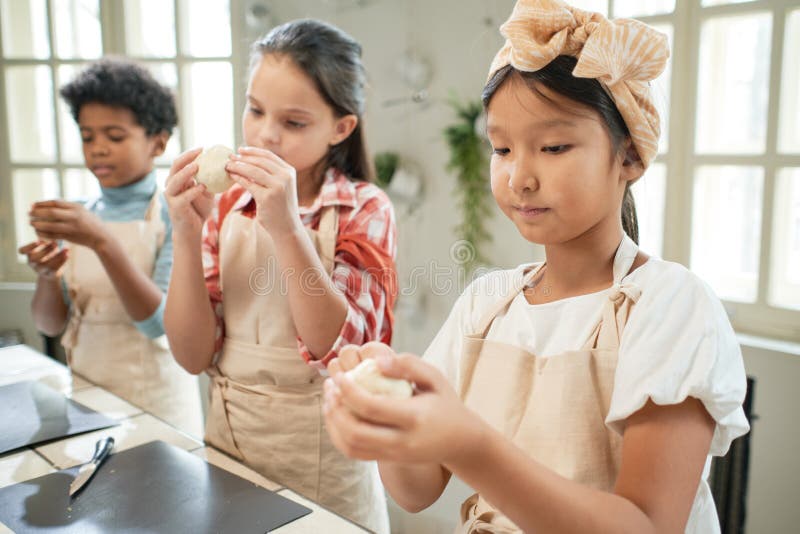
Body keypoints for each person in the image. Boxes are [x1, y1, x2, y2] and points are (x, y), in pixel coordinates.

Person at [322, 1, 750, 532]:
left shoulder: (670, 304)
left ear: (630, 156)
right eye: (502, 148)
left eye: (553, 146)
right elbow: (414, 489)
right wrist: (383, 413)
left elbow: (646, 525)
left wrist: (470, 445)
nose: (519, 177)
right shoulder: (486, 304)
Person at [163, 19, 396, 533]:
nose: (265, 134)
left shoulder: (364, 208)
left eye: (293, 122)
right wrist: (184, 229)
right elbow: (191, 354)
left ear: (341, 128)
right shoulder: (224, 207)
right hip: (229, 447)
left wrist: (287, 228)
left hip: (326, 465)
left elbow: (338, 347)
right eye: (255, 110)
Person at [20, 58, 203, 436]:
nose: (98, 149)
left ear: (158, 142)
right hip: (87, 402)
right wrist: (47, 277)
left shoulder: (176, 214)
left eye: (114, 136)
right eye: (88, 137)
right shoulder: (79, 217)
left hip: (159, 408)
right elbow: (50, 324)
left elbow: (157, 323)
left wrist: (101, 240)